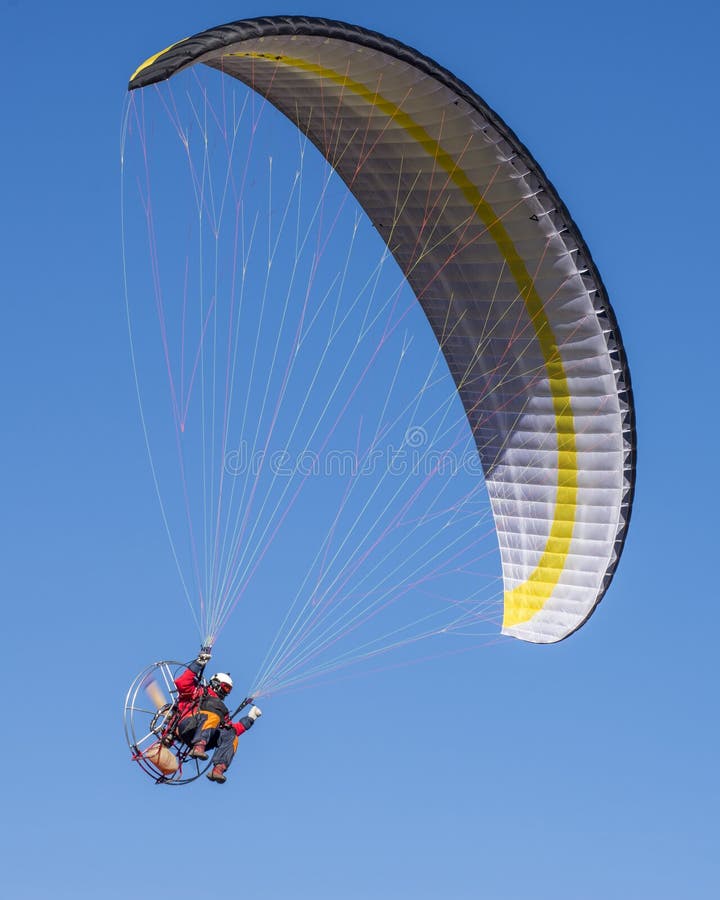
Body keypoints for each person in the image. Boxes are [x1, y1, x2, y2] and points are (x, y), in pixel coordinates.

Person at [173, 649, 262, 784]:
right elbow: (181, 683)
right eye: (225, 687)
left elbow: (232, 729)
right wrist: (198, 664)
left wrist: (250, 719)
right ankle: (199, 745)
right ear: (215, 683)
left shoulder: (221, 711)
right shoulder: (198, 691)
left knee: (231, 735)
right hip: (187, 726)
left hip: (207, 736)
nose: (226, 692)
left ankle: (219, 768)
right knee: (214, 716)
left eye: (229, 690)